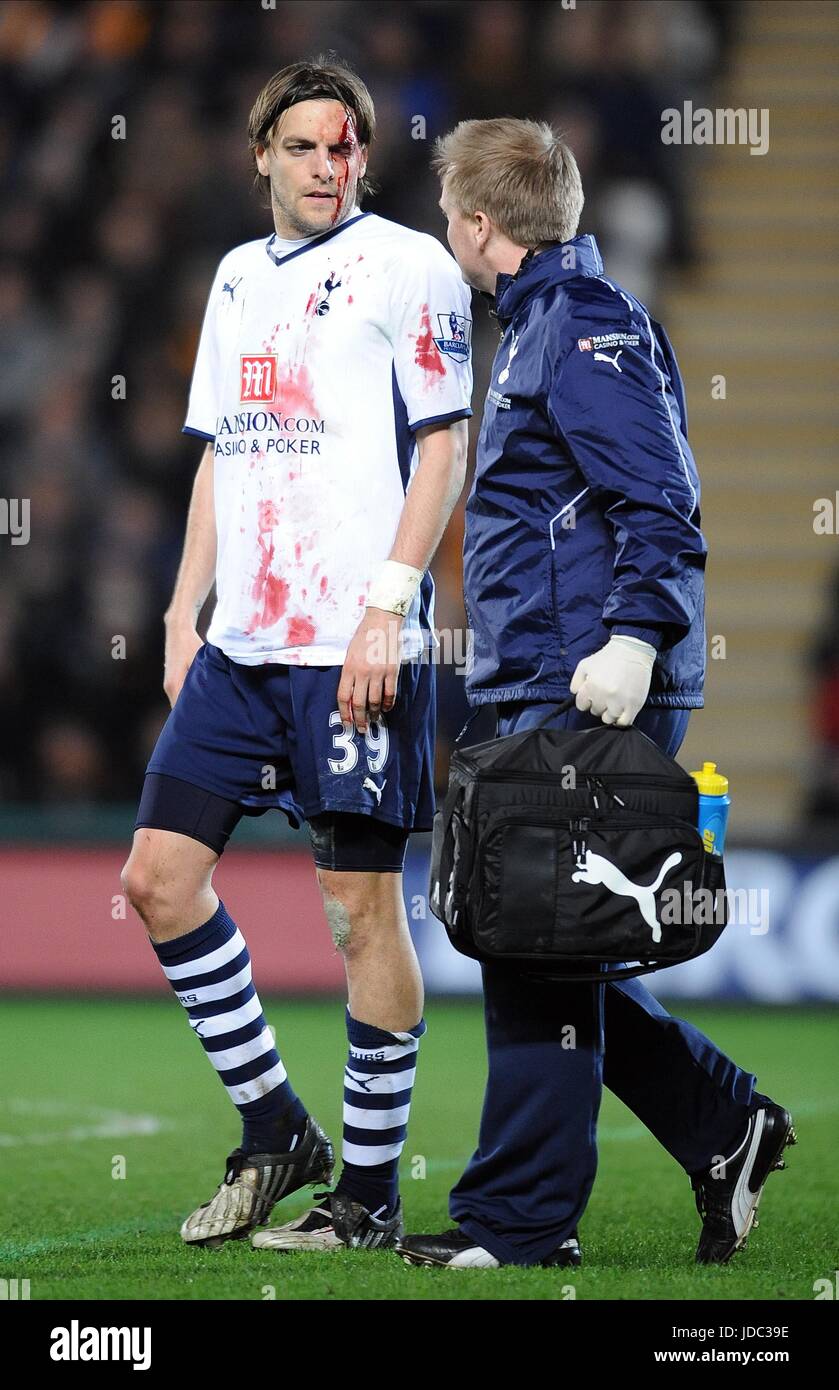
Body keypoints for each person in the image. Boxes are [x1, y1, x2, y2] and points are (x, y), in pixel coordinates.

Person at [398, 118, 794, 1271]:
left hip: (586, 679)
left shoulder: (580, 328)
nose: (445, 230)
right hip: (543, 669)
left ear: (479, 225)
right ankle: (723, 1125)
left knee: (532, 942)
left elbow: (662, 506)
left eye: (448, 213)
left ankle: (518, 1225)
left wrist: (629, 641)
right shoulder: (541, 325)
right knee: (552, 939)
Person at [120, 57, 471, 1254]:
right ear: (259, 154)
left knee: (358, 909)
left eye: (347, 146)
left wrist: (389, 604)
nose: (331, 166)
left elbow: (443, 447)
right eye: (308, 146)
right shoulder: (231, 281)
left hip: (352, 642)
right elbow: (224, 449)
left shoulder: (408, 265)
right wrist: (182, 611)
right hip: (245, 642)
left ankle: (367, 1199)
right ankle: (277, 1126)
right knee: (157, 881)